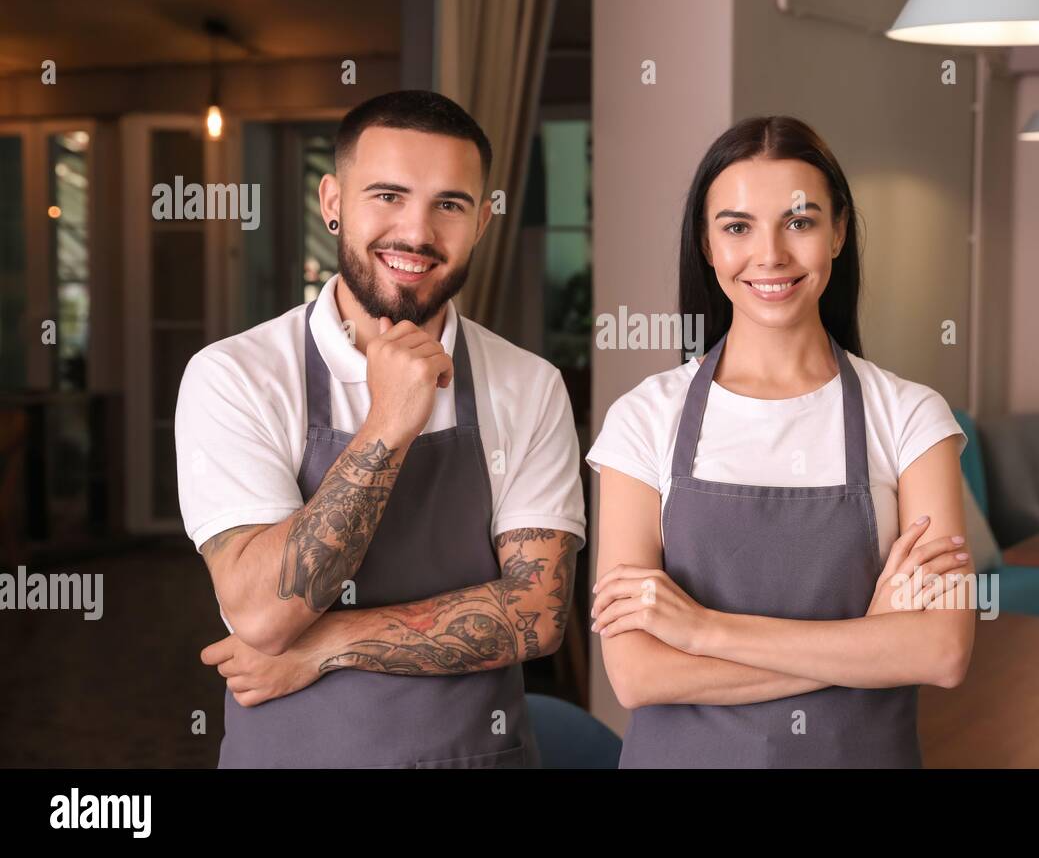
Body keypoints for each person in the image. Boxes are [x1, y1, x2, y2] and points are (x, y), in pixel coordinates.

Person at [175, 90, 586, 768]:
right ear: (332, 202)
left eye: (449, 204)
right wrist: (389, 421)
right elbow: (263, 615)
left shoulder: (527, 383)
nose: (417, 233)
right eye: (388, 196)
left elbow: (536, 615)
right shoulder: (236, 376)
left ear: (482, 220)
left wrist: (326, 645)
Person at [586, 115, 975, 768]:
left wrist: (703, 632)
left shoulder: (910, 418)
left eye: (799, 221)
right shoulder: (643, 420)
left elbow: (941, 652)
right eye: (737, 227)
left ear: (839, 232)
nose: (770, 255)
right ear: (707, 245)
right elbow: (638, 675)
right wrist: (870, 643)